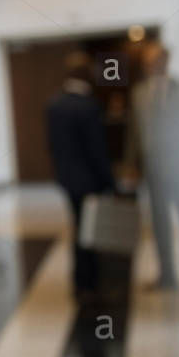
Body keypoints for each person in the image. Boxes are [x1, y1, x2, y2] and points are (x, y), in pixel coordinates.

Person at [123, 40, 179, 293]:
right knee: (160, 225)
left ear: (166, 61)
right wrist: (131, 164)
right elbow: (134, 133)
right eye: (146, 62)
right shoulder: (139, 93)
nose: (150, 66)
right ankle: (167, 277)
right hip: (154, 169)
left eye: (155, 61)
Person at [46, 52, 116, 301]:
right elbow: (97, 151)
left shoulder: (55, 104)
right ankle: (90, 286)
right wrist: (110, 181)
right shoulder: (88, 106)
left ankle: (81, 283)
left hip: (68, 181)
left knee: (79, 231)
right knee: (90, 235)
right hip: (89, 182)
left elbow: (54, 147)